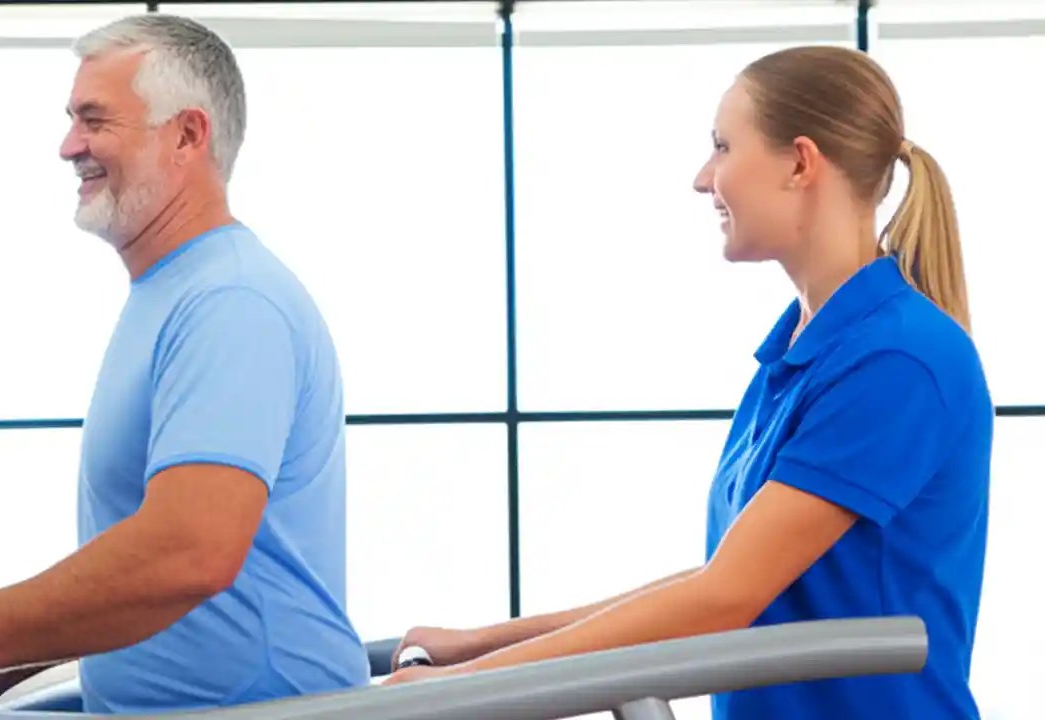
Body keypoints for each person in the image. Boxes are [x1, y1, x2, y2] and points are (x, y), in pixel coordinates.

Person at [385, 45, 993, 720]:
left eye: (723, 147)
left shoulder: (898, 361)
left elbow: (725, 598)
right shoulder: (804, 354)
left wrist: (468, 683)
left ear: (799, 162)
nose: (705, 179)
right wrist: (480, 646)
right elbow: (724, 582)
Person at [0, 13, 370, 714]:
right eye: (73, 119)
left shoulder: (231, 301)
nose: (69, 145)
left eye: (95, 120)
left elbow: (187, 552)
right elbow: (145, 581)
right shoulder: (171, 292)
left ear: (188, 135)